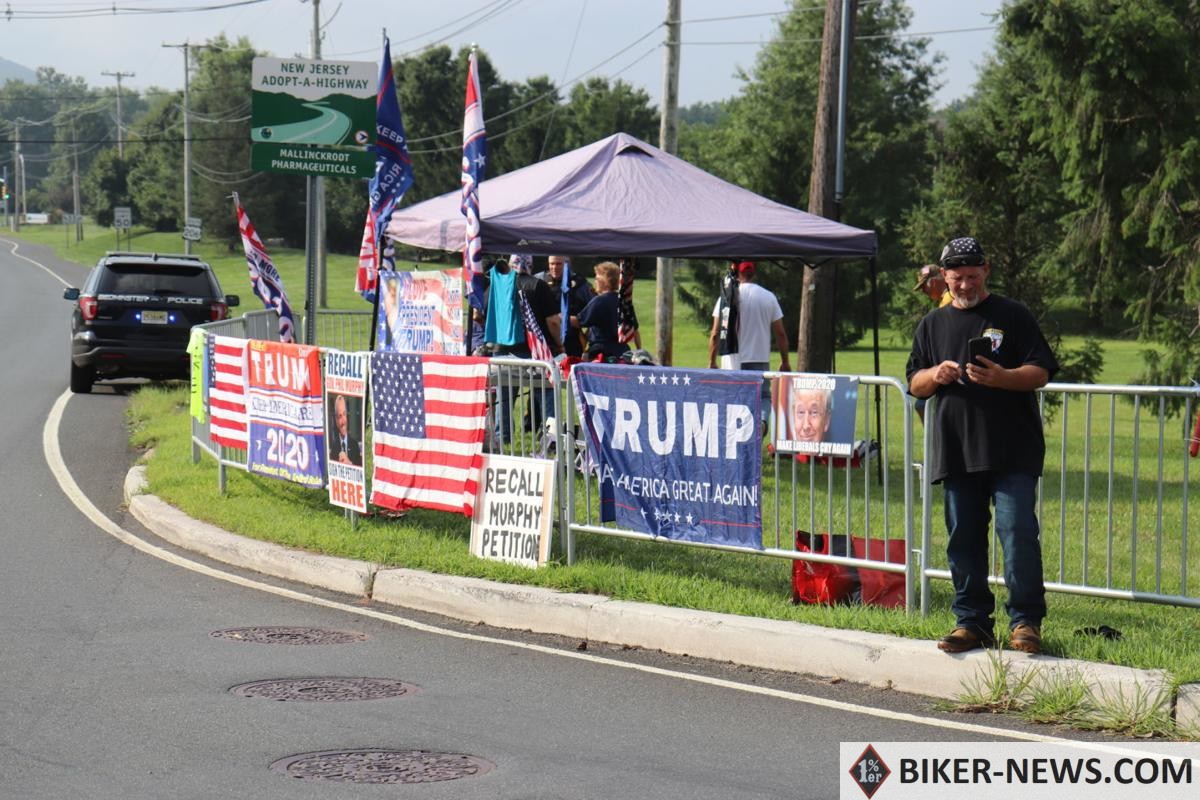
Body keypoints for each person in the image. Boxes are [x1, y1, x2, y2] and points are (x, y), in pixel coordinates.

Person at [906, 236, 1059, 655]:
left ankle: (1025, 621)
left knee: (1017, 532)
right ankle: (971, 621)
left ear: (986, 270)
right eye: (957, 279)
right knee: (963, 539)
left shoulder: (1013, 314)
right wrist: (936, 373)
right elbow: (914, 383)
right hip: (956, 450)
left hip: (1013, 449)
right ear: (944, 277)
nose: (966, 286)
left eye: (973, 277)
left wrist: (1002, 377)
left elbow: (1041, 370)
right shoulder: (932, 324)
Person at [708, 261, 791, 426]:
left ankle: (737, 438)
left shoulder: (726, 297)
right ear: (754, 272)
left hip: (731, 358)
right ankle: (762, 421)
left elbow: (715, 332)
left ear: (737, 272)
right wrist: (785, 360)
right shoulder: (768, 297)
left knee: (733, 400)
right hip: (759, 358)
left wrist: (712, 360)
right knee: (763, 397)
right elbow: (780, 334)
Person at [536, 255, 593, 358]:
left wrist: (580, 326)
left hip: (572, 342)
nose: (554, 267)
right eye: (552, 264)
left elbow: (595, 313)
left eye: (558, 264)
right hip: (545, 342)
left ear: (566, 265)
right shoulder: (539, 281)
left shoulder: (580, 285)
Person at [574, 261, 630, 361]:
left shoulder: (600, 301)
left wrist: (561, 317)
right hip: (622, 352)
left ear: (606, 280)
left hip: (602, 354)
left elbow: (579, 321)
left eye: (597, 278)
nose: (595, 281)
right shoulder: (623, 301)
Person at [328, 394, 362, 466]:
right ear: (336, 420)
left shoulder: (354, 445)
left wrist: (349, 463)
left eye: (344, 414)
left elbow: (360, 467)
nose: (343, 421)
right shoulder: (333, 448)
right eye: (340, 416)